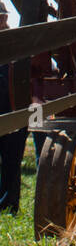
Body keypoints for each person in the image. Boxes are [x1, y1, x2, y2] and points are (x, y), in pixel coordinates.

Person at [0, 11, 28, 217]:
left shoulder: (18, 44)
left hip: (14, 113)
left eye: (1, 17)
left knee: (12, 162)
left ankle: (10, 205)